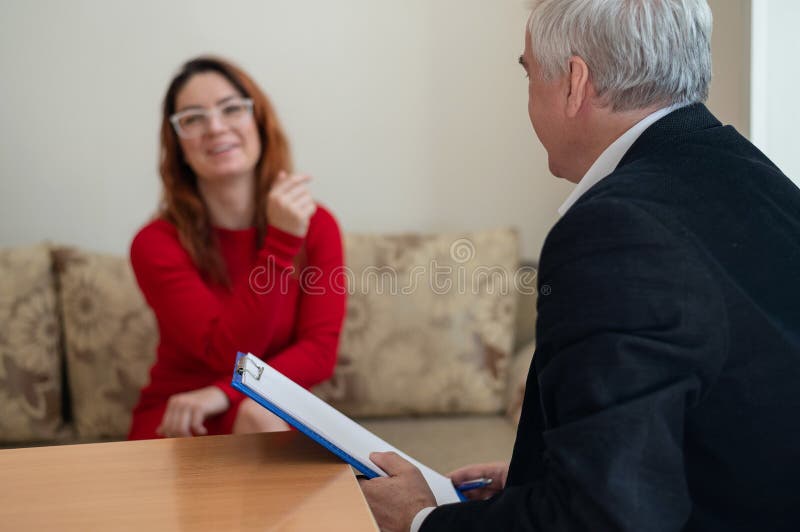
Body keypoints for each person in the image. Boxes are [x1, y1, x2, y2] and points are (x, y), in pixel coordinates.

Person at [359, 1, 800, 530]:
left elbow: (605, 517)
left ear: (574, 82)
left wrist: (421, 518)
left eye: (527, 73)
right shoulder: (763, 182)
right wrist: (541, 479)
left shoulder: (615, 231)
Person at [127, 57, 346, 440]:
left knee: (259, 417)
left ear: (258, 121)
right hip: (184, 418)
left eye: (231, 109)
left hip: (266, 412)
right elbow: (223, 352)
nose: (215, 127)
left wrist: (223, 393)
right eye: (193, 118)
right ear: (178, 144)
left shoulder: (317, 224)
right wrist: (281, 244)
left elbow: (320, 351)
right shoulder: (155, 243)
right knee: (259, 420)